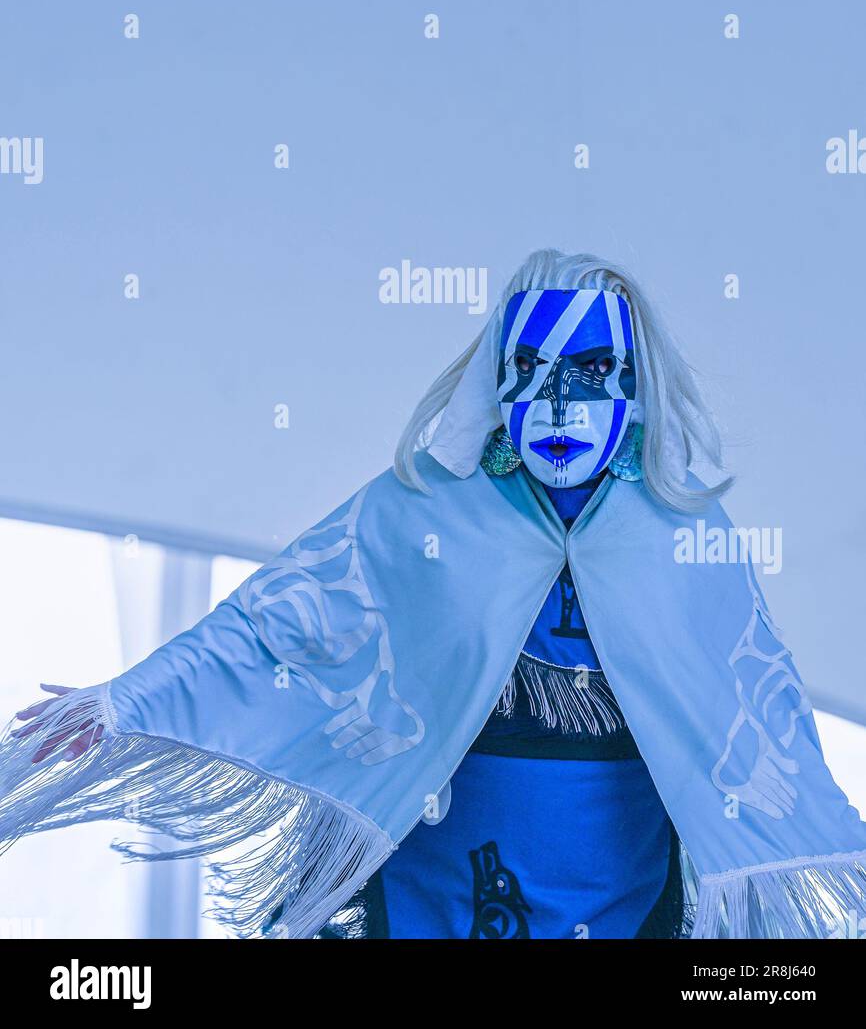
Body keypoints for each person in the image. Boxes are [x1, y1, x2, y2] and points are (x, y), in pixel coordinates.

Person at [3, 250, 866, 940]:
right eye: (531, 366)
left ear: (634, 387)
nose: (559, 402)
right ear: (497, 380)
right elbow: (276, 627)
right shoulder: (428, 506)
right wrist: (126, 701)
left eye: (592, 367)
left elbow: (759, 707)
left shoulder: (685, 534)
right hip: (440, 866)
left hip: (619, 876)